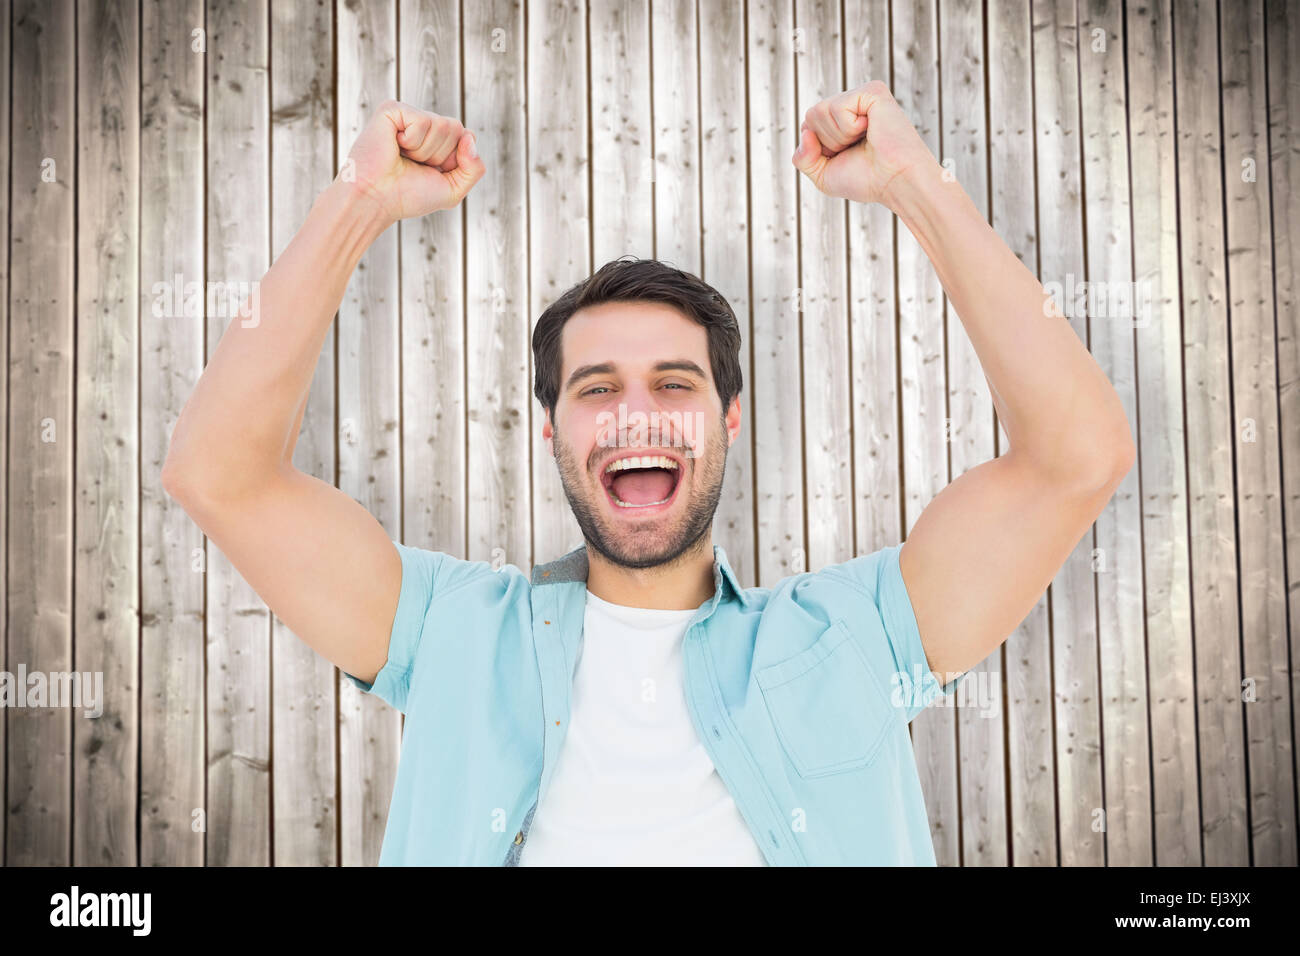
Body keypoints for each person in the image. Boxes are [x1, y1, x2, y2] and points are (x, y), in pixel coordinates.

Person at [162, 83, 1135, 865]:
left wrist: (917, 183)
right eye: (596, 388)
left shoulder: (858, 638)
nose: (634, 413)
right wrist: (357, 203)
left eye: (674, 382)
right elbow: (220, 472)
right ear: (549, 429)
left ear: (729, 419)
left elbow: (1075, 458)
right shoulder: (449, 631)